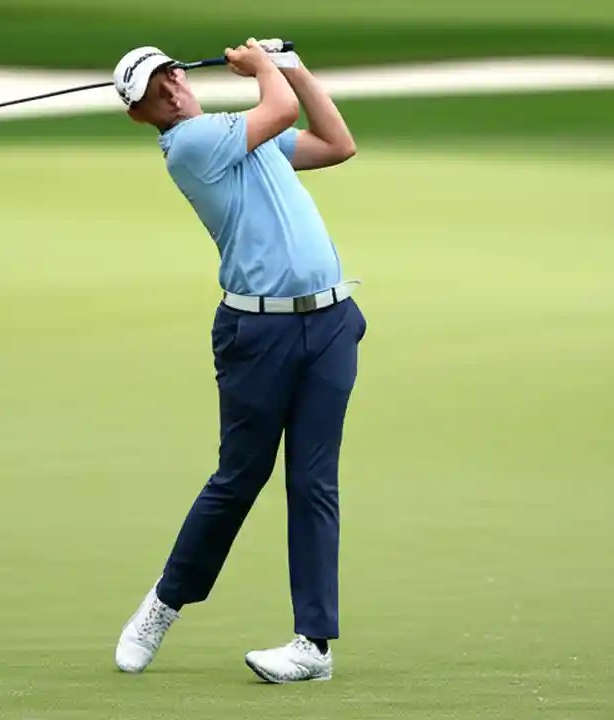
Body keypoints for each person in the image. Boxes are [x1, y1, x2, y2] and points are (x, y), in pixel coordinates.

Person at [110, 38, 367, 684]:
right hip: (257, 335)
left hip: (331, 322)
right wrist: (261, 68)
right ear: (142, 116)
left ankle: (313, 646)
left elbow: (337, 144)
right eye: (150, 93)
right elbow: (276, 113)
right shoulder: (192, 147)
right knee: (238, 479)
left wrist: (294, 67)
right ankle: (164, 603)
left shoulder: (239, 138)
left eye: (167, 74)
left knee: (314, 485)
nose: (168, 89)